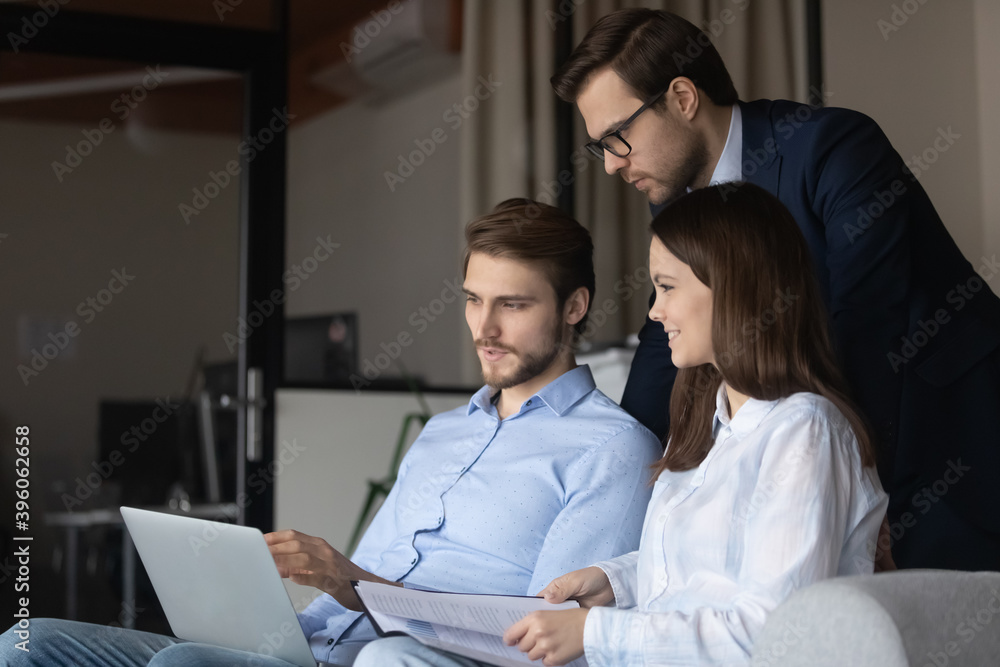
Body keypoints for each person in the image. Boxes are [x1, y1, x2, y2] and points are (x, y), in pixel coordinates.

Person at [0, 199, 661, 667]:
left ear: (574, 306)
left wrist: (353, 583)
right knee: (28, 643)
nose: (483, 327)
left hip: (400, 658)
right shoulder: (440, 435)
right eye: (471, 298)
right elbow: (356, 590)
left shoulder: (612, 449)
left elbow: (543, 642)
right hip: (313, 647)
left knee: (192, 663)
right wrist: (263, 619)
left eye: (512, 304)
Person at [357, 183, 887, 667]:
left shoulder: (804, 431)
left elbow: (774, 633)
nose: (654, 312)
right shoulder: (707, 428)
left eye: (667, 287)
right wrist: (614, 579)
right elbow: (692, 576)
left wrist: (595, 632)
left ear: (733, 290)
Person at [551, 7, 1000, 570]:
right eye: (601, 147)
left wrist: (856, 480)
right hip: (829, 437)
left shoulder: (834, 146)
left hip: (943, 423)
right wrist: (611, 463)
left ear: (683, 98)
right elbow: (663, 346)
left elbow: (866, 322)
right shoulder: (680, 201)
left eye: (618, 137)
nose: (613, 166)